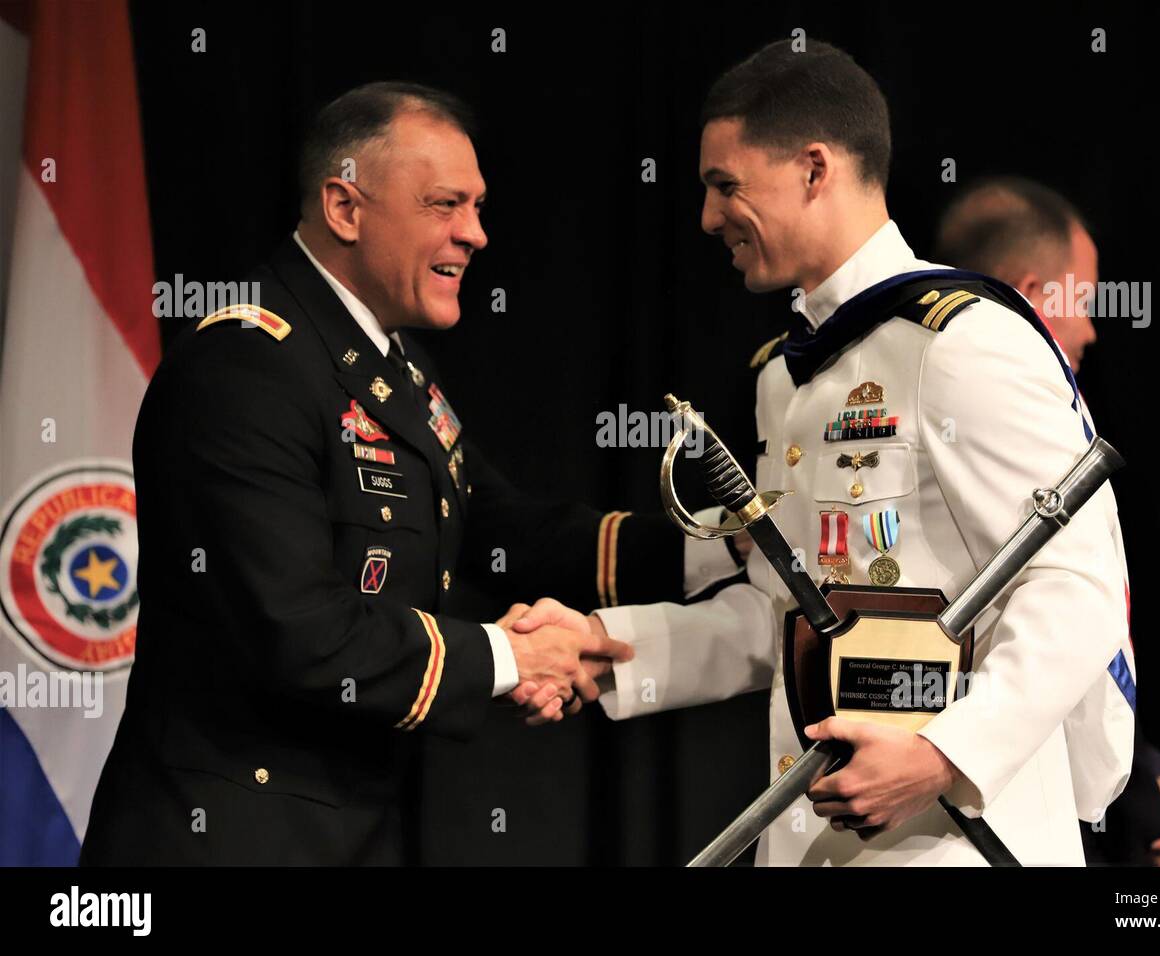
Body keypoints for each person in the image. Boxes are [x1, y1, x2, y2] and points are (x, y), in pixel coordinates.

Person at [512, 39, 1136, 865]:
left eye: (725, 186)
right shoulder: (787, 375)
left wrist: (945, 754)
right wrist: (605, 645)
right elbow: (786, 616)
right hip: (814, 839)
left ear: (815, 169)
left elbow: (1078, 585)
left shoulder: (964, 342)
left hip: (959, 843)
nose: (706, 218)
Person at [79, 82, 731, 865]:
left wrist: (732, 551)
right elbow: (302, 630)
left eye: (478, 207)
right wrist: (510, 657)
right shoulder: (243, 364)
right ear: (345, 208)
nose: (477, 234)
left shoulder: (387, 366)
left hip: (355, 827)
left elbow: (505, 528)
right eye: (445, 205)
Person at [935, 176, 1160, 866]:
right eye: (1081, 300)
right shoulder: (960, 420)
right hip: (970, 813)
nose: (1090, 326)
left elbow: (1069, 630)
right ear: (1034, 295)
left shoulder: (1057, 421)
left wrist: (1142, 773)